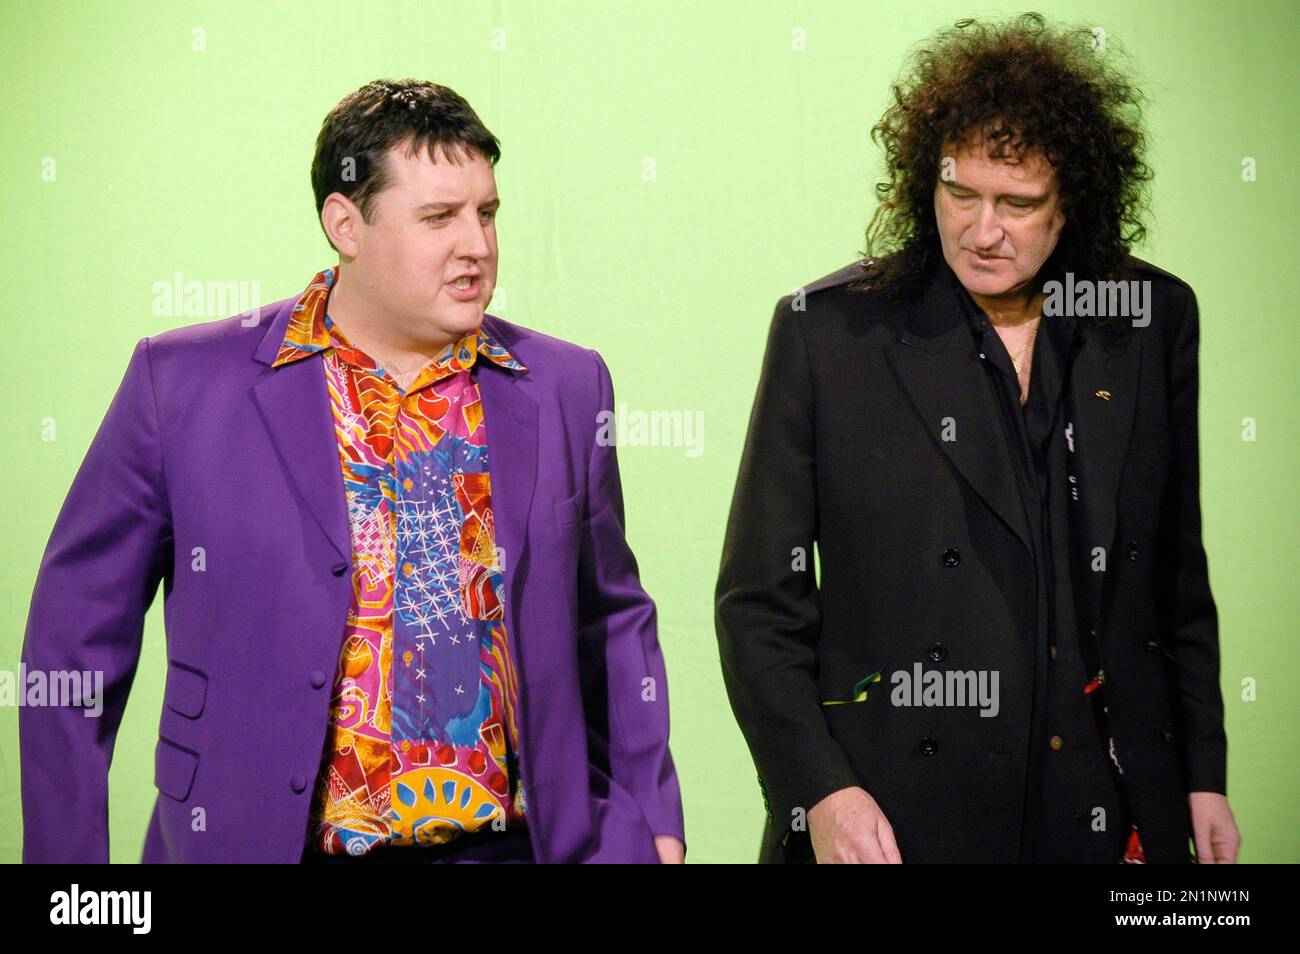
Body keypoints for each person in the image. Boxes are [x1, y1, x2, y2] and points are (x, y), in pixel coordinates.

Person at [20, 78, 685, 864]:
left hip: (521, 848)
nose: (476, 244)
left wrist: (656, 828)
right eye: (439, 217)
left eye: (487, 212)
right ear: (347, 224)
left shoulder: (567, 385)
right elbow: (71, 643)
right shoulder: (184, 385)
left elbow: (612, 617)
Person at [715, 13, 1239, 864]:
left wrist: (1201, 771)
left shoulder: (1147, 319)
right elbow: (758, 605)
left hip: (1109, 803)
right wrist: (820, 791)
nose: (982, 230)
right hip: (892, 808)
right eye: (961, 193)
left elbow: (1174, 573)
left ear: (1075, 204)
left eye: (1019, 203)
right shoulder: (831, 332)